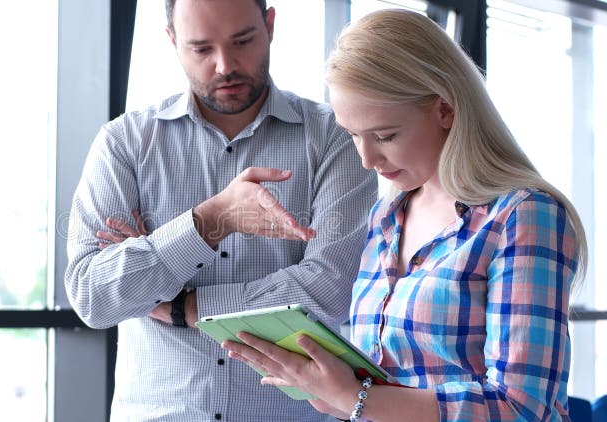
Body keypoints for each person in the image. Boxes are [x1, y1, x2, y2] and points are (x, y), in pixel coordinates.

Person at [222, 9, 587, 422]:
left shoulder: (523, 217)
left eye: (385, 136)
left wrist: (354, 396)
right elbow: (383, 385)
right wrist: (323, 385)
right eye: (353, 135)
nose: (367, 159)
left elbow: (522, 408)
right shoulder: (386, 218)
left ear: (446, 109)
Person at [64, 0, 377, 420]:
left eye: (242, 41)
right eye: (200, 48)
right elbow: (94, 297)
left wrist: (182, 304)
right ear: (173, 41)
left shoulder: (335, 139)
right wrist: (211, 221)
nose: (225, 65)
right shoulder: (124, 144)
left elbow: (330, 291)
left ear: (269, 25)